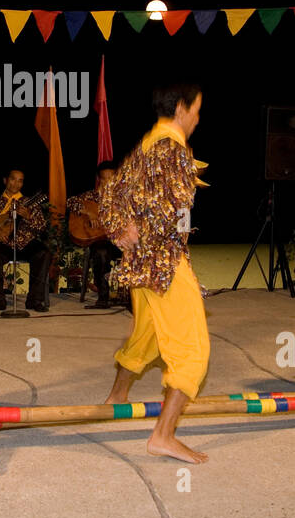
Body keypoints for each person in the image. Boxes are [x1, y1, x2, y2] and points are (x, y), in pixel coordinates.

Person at [100, 84, 210, 464]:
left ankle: (116, 396)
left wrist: (123, 230)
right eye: (196, 109)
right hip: (164, 264)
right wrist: (174, 260)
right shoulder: (174, 149)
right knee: (192, 350)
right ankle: (163, 435)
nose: (197, 117)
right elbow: (171, 213)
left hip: (140, 265)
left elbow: (110, 193)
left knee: (147, 336)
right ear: (181, 108)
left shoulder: (146, 145)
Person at [0, 169, 53, 312]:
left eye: (20, 180)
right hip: (4, 244)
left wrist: (28, 217)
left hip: (25, 243)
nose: (16, 183)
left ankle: (35, 299)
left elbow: (41, 227)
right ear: (5, 180)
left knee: (44, 253)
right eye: (13, 179)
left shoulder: (29, 203)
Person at [67, 163, 123, 309]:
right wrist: (88, 212)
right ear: (98, 179)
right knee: (101, 252)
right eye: (105, 179)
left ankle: (135, 297)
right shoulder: (90, 196)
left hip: (120, 242)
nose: (108, 182)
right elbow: (71, 202)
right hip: (100, 242)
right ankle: (103, 297)